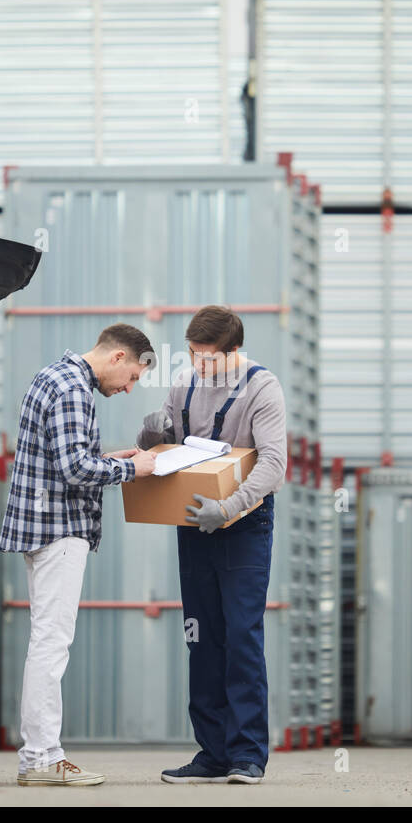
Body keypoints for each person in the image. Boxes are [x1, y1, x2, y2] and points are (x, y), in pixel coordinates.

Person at [0, 324, 157, 786]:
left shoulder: (55, 376)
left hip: (43, 526)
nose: (127, 389)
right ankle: (42, 757)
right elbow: (72, 469)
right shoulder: (74, 390)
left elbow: (62, 456)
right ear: (118, 356)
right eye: (130, 378)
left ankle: (39, 756)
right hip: (60, 529)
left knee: (46, 640)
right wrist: (132, 467)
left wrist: (112, 456)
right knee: (52, 643)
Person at [135, 305, 287, 785]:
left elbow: (274, 464)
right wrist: (151, 432)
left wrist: (231, 507)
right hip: (194, 520)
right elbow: (166, 445)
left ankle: (247, 755)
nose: (199, 365)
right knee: (201, 636)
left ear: (233, 351)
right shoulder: (184, 383)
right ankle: (212, 754)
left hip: (243, 523)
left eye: (209, 358)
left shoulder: (263, 388)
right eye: (194, 355)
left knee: (241, 636)